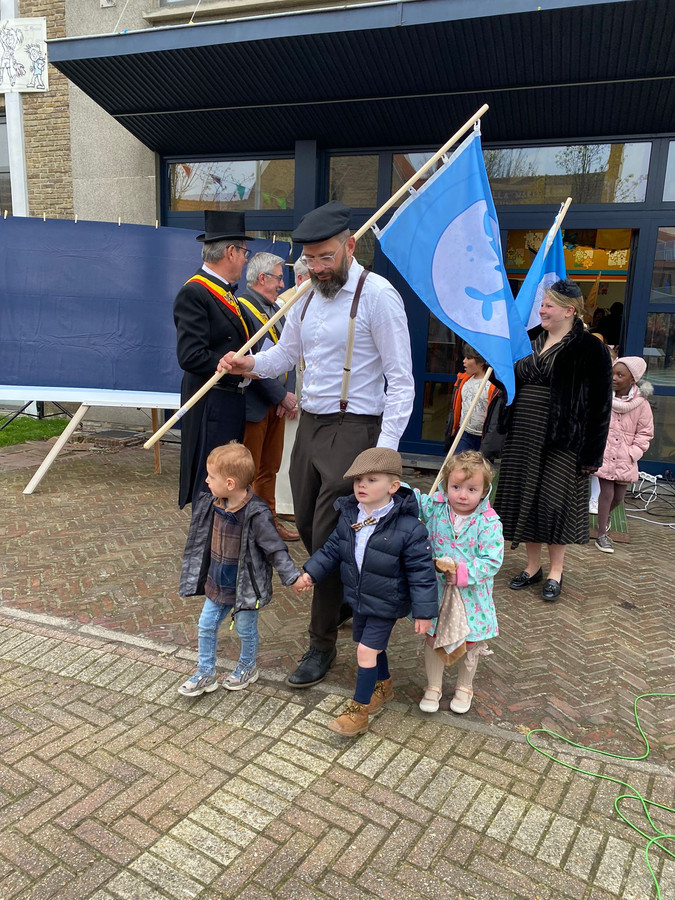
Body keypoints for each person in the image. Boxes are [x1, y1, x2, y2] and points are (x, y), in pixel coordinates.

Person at [218, 200, 415, 688]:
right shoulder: (305, 296)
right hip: (309, 426)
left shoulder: (379, 296)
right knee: (305, 522)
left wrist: (384, 455)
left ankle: (321, 642)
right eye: (309, 259)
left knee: (328, 534)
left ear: (351, 246)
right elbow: (284, 355)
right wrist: (248, 364)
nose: (318, 268)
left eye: (326, 257)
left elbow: (401, 381)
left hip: (356, 430)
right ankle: (346, 596)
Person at [293, 448, 437, 735]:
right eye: (359, 479)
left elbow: (421, 573)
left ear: (393, 487)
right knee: (369, 645)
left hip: (387, 601)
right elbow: (332, 549)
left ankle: (358, 711)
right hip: (358, 597)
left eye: (372, 480)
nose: (362, 485)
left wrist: (424, 612)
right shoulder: (350, 515)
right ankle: (383, 685)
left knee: (365, 651)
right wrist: (310, 573)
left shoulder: (409, 528)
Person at [494, 278, 612, 602]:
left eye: (548, 306)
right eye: (542, 305)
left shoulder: (590, 348)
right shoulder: (528, 338)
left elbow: (601, 405)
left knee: (553, 504)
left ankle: (555, 571)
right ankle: (532, 567)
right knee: (526, 500)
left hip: (563, 441)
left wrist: (592, 455)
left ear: (569, 310)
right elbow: (507, 380)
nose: (542, 310)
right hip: (523, 434)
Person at [178, 442, 303, 697]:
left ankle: (247, 667)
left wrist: (292, 577)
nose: (206, 480)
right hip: (217, 583)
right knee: (205, 626)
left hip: (246, 588)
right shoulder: (212, 503)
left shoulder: (257, 514)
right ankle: (205, 672)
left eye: (211, 476)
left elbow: (275, 549)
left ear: (230, 483)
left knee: (245, 629)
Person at [174, 210, 255, 597]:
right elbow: (190, 355)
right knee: (212, 482)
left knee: (228, 479)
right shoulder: (196, 292)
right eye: (244, 252)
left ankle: (221, 556)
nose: (246, 259)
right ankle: (201, 568)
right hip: (211, 404)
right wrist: (224, 362)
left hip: (229, 401)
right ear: (231, 252)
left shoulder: (227, 293)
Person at [413, 451, 503, 714]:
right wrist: (393, 481)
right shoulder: (436, 508)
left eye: (471, 489)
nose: (462, 495)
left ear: (484, 491)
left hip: (471, 596)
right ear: (445, 485)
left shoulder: (488, 522)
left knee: (470, 641)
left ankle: (465, 686)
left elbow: (492, 560)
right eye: (456, 487)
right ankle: (433, 686)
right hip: (438, 592)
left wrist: (464, 573)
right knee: (433, 637)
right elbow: (412, 499)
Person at [238, 251, 300, 542]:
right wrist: (280, 395)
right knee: (249, 471)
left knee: (270, 469)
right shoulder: (243, 309)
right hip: (255, 404)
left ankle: (269, 524)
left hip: (275, 405)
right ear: (262, 278)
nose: (282, 284)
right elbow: (250, 362)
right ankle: (246, 528)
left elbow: (289, 354)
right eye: (278, 278)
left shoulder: (275, 309)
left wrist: (287, 394)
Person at [594, 356, 654, 553]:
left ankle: (605, 516)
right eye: (612, 373)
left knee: (619, 497)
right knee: (607, 493)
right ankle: (601, 535)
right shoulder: (602, 397)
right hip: (604, 455)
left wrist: (633, 453)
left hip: (625, 458)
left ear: (633, 380)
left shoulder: (641, 404)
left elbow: (645, 432)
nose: (614, 378)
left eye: (620, 375)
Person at [443, 346, 501, 454]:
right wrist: (454, 426)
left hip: (483, 437)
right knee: (458, 461)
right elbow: (456, 406)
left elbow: (495, 416)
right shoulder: (463, 380)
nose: (464, 361)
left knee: (479, 464)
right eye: (464, 357)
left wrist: (490, 441)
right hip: (464, 433)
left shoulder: (494, 385)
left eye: (469, 358)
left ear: (481, 362)